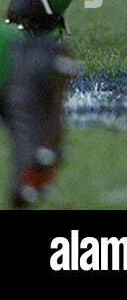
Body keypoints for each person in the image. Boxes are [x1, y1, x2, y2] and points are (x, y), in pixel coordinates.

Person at [0, 26, 75, 207]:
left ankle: (33, 171)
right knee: (39, 143)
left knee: (33, 142)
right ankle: (35, 170)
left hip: (23, 64)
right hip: (36, 57)